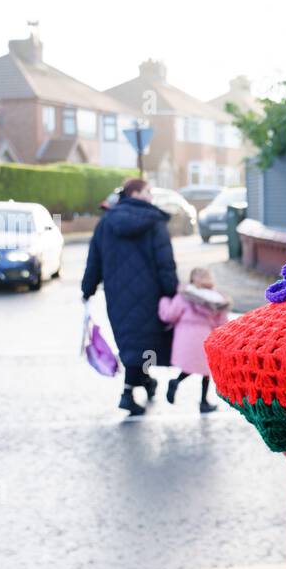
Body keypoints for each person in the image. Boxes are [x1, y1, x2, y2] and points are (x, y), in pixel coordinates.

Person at [81, 178, 178, 415]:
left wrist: (88, 288)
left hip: (116, 294)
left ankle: (145, 382)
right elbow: (165, 262)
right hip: (150, 294)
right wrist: (171, 291)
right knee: (147, 343)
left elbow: (94, 259)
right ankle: (129, 391)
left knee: (131, 341)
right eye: (147, 192)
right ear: (134, 193)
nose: (151, 197)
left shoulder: (106, 222)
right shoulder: (154, 222)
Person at [158, 266, 231, 413]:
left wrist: (164, 301)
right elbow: (222, 323)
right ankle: (203, 402)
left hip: (185, 339)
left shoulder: (183, 297)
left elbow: (169, 315)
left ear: (191, 279)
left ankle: (176, 382)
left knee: (190, 367)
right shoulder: (216, 300)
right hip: (205, 337)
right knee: (206, 371)